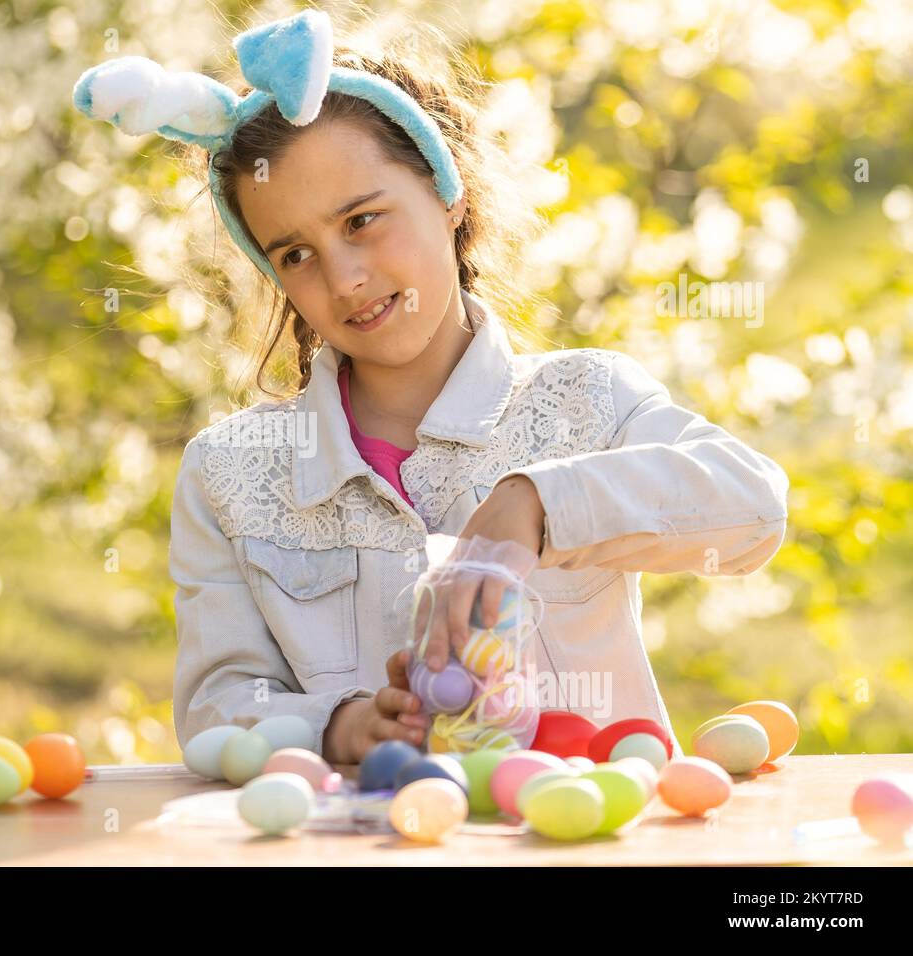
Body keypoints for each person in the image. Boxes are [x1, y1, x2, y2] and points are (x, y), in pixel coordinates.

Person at [74, 10, 789, 765]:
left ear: (449, 193)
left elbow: (753, 509)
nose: (344, 278)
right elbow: (217, 706)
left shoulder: (588, 401)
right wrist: (340, 726)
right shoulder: (231, 472)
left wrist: (535, 506)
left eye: (362, 220)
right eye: (294, 254)